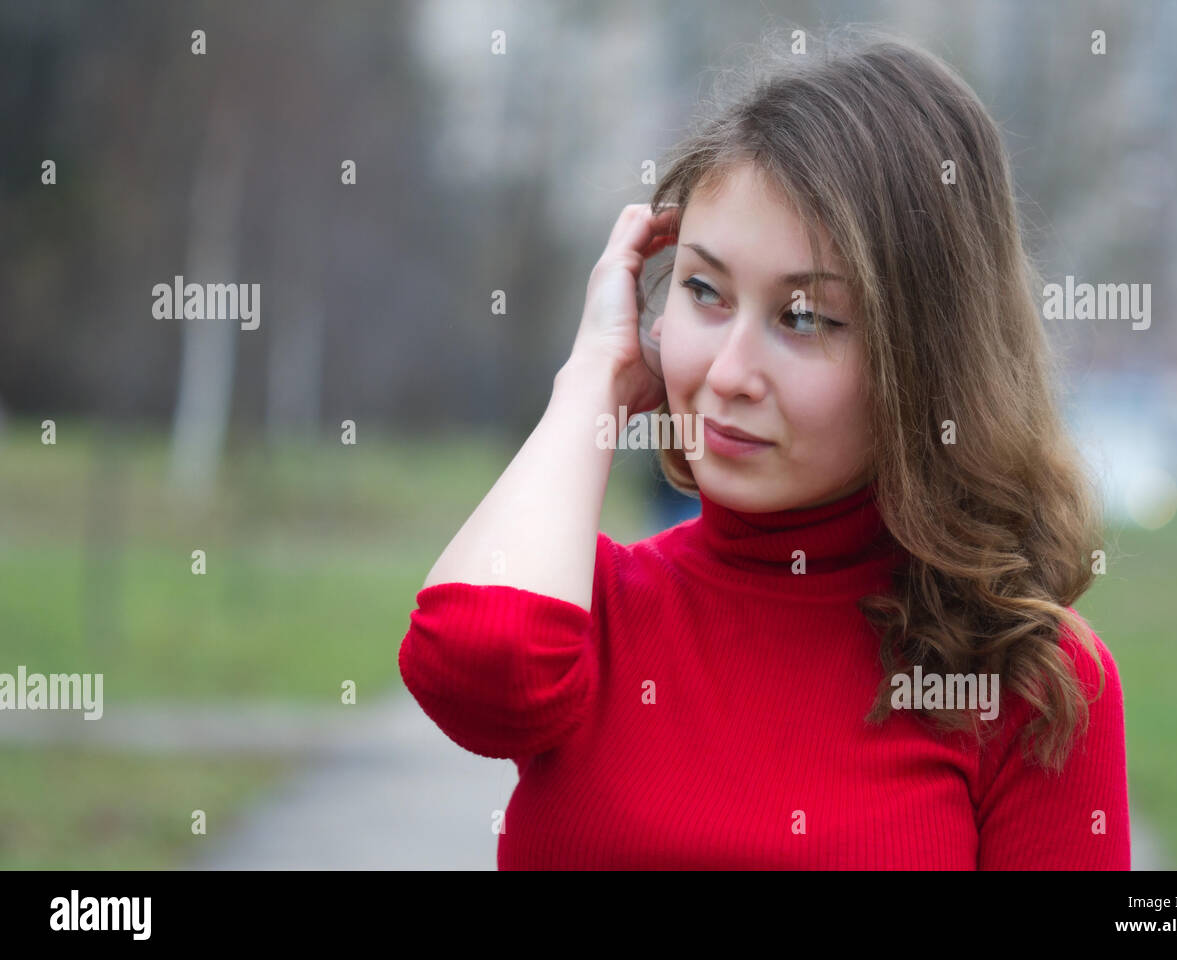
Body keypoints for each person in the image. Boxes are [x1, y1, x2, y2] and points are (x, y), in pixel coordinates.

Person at [400, 28, 1129, 869]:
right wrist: (592, 381)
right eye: (704, 292)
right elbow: (473, 665)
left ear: (926, 359)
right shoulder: (593, 619)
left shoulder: (1031, 683)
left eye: (805, 317)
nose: (729, 370)